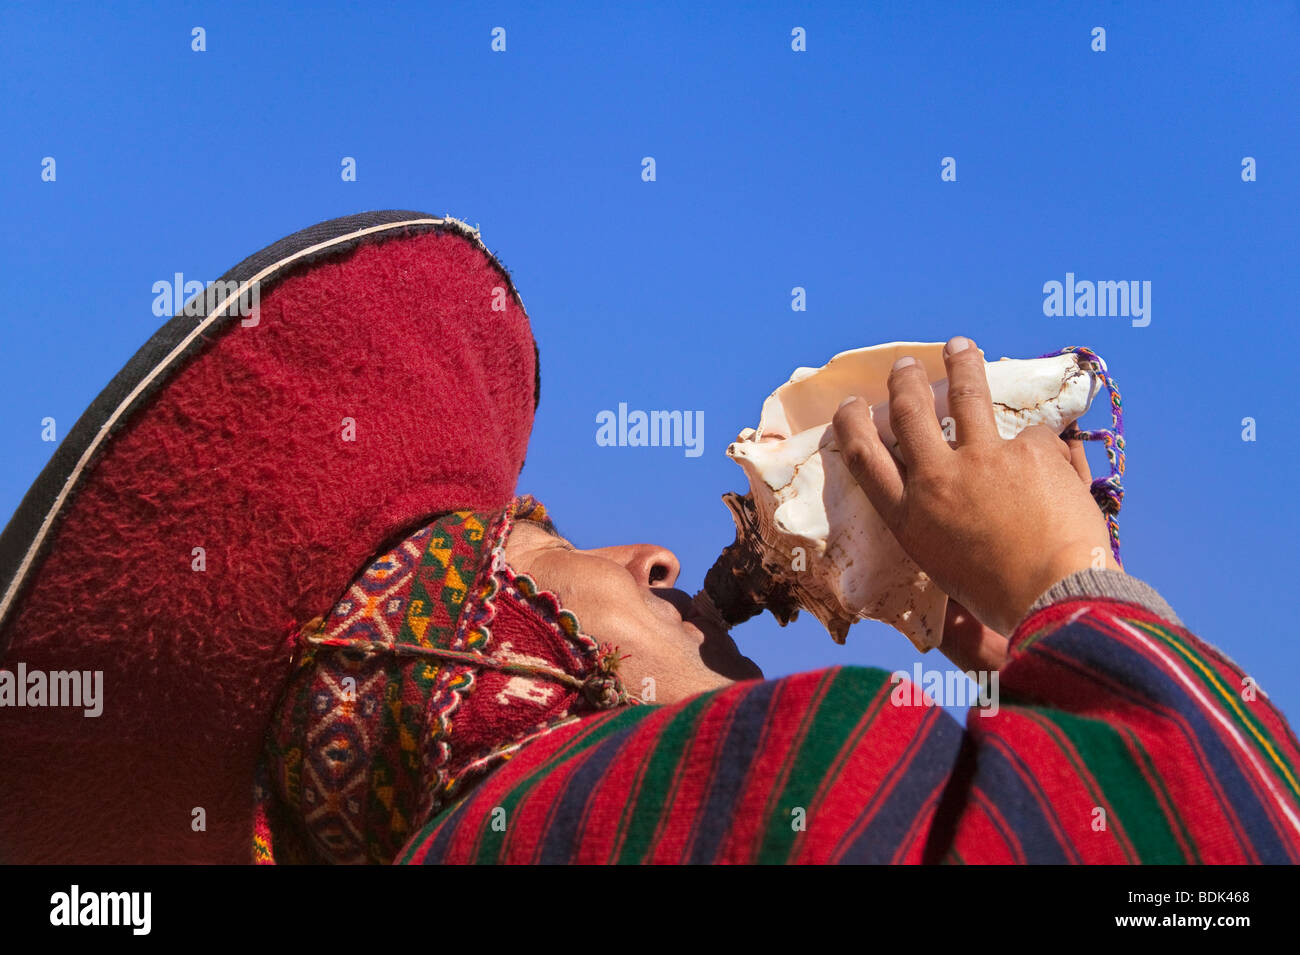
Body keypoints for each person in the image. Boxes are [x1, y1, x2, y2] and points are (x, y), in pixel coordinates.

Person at [4, 212, 1296, 865]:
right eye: (542, 543)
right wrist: (1067, 580)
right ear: (476, 657)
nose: (660, 559)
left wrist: (1025, 663)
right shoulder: (687, 793)